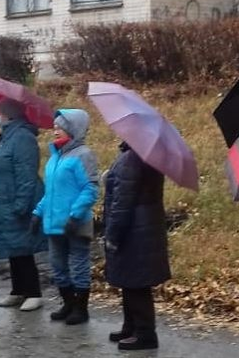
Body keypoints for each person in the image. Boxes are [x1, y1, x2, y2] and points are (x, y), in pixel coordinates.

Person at [31, 109, 99, 325]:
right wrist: (37, 213)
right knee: (57, 265)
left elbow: (90, 188)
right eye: (54, 127)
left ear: (73, 129)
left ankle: (81, 309)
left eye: (59, 127)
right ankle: (68, 303)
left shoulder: (83, 155)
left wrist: (75, 215)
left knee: (78, 265)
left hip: (75, 224)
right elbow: (51, 193)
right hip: (54, 223)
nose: (55, 131)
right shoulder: (54, 158)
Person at [103, 141, 170, 350]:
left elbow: (123, 203)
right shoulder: (147, 155)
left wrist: (113, 234)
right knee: (130, 282)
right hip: (144, 228)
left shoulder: (132, 158)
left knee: (135, 283)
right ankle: (131, 326)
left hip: (134, 231)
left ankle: (145, 334)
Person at [0, 98, 46, 311]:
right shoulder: (6, 136)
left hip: (17, 200)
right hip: (4, 199)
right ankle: (18, 290)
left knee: (23, 247)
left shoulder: (22, 137)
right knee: (13, 247)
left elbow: (26, 174)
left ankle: (33, 292)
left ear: (9, 115)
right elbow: (2, 164)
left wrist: (22, 204)